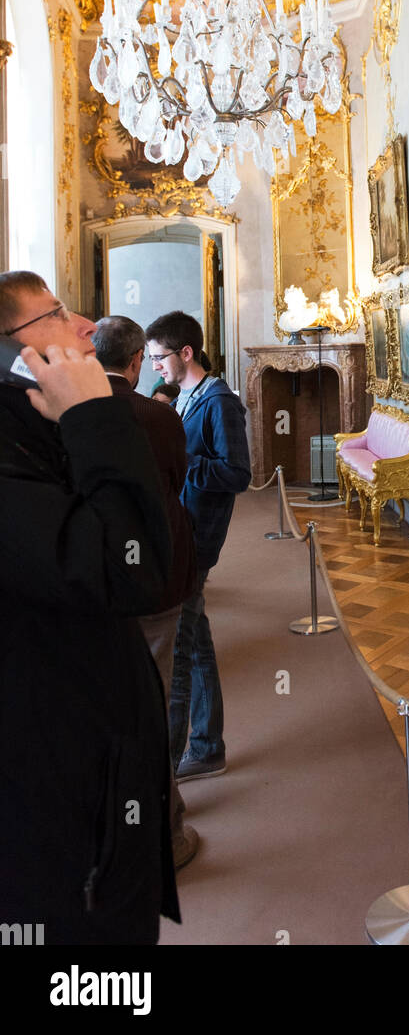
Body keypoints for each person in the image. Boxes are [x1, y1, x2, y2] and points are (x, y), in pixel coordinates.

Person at [0, 271, 182, 944]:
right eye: (57, 314)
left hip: (93, 778)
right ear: (10, 351)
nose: (86, 327)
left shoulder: (27, 430)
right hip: (61, 814)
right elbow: (132, 569)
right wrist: (91, 415)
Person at [93, 315, 199, 869]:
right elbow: (176, 482)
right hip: (155, 582)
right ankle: (164, 837)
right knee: (151, 704)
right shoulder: (159, 419)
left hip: (94, 586)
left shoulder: (71, 418)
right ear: (136, 363)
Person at [145, 311, 251, 780]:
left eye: (158, 358)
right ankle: (208, 746)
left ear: (186, 353)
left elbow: (238, 474)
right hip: (184, 530)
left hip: (198, 537)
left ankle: (185, 759)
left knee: (183, 652)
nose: (154, 368)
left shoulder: (219, 402)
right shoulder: (187, 396)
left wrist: (182, 460)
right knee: (197, 641)